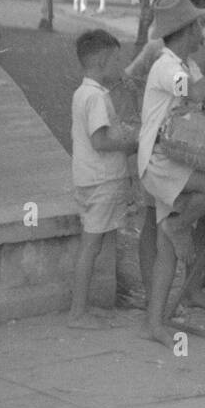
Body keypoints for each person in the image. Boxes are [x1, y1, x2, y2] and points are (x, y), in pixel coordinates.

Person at [137, 0, 205, 348]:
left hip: (167, 160)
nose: (201, 31)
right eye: (197, 24)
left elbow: (203, 100)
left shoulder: (177, 64)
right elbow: (195, 93)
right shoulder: (167, 67)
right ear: (185, 29)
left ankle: (155, 322)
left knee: (166, 249)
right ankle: (179, 224)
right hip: (159, 162)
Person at [68, 30, 140, 328]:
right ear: (100, 59)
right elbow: (100, 141)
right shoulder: (96, 97)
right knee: (92, 246)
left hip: (89, 178)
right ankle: (77, 313)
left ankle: (85, 307)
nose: (121, 64)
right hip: (103, 180)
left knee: (95, 244)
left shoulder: (84, 93)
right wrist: (130, 142)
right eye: (116, 58)